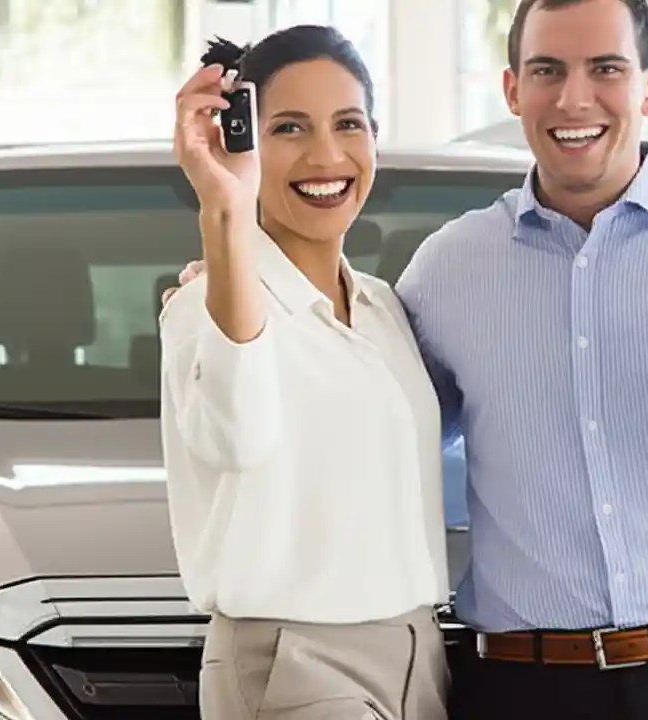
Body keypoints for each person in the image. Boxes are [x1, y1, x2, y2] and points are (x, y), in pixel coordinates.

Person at [167, 2, 648, 718]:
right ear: (512, 89)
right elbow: (329, 431)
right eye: (547, 69)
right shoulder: (447, 270)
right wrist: (235, 284)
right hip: (523, 688)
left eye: (605, 68)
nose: (573, 97)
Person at [160, 25, 450, 720]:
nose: (326, 155)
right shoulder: (208, 303)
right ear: (244, 143)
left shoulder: (383, 308)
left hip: (419, 654)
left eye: (348, 124)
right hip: (293, 664)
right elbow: (238, 435)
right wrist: (224, 211)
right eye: (289, 128)